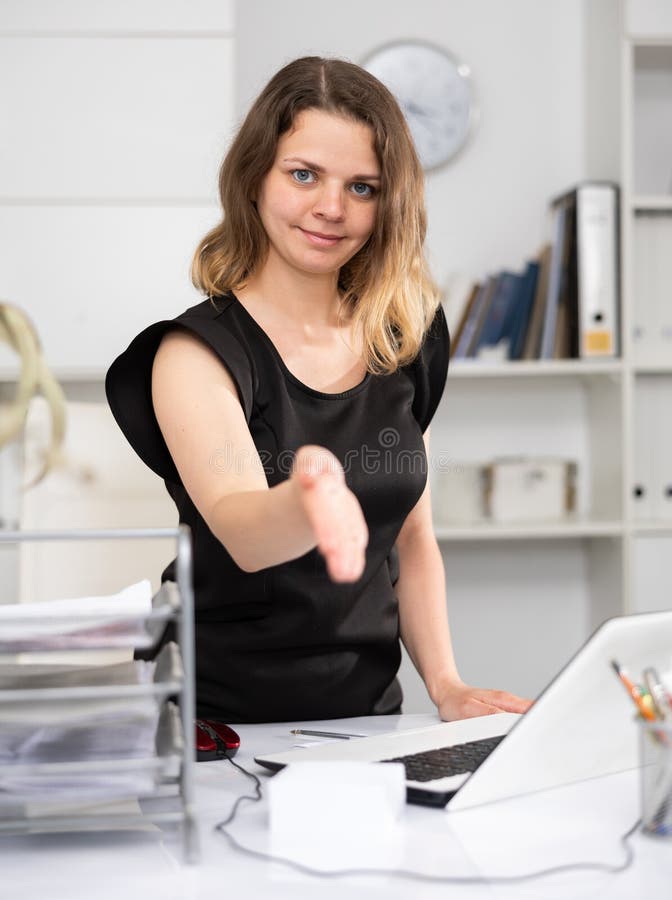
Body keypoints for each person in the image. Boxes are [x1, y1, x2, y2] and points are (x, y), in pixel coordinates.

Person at [106, 56, 531, 724]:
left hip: (367, 723)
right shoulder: (194, 353)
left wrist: (445, 685)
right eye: (303, 175)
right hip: (218, 730)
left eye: (362, 187)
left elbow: (413, 540)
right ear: (254, 178)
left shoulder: (403, 341)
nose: (331, 209)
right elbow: (244, 531)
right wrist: (310, 501)